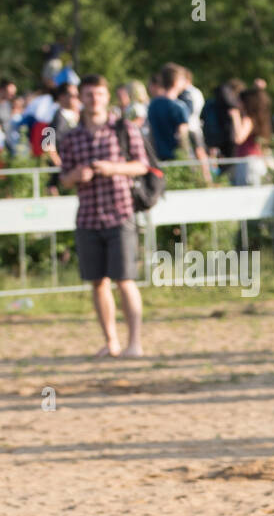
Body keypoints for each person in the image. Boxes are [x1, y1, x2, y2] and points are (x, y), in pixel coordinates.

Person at [57, 74, 150, 358]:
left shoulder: (124, 128)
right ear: (81, 99)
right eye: (88, 94)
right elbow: (63, 179)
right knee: (98, 282)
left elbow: (142, 166)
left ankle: (134, 343)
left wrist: (113, 168)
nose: (93, 99)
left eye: (98, 94)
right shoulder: (71, 137)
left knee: (125, 279)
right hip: (87, 216)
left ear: (106, 96)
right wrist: (76, 175)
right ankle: (111, 341)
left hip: (120, 213)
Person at [146, 64, 192, 162]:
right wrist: (187, 158)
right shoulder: (179, 106)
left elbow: (150, 133)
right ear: (176, 82)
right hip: (177, 160)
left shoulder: (153, 104)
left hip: (157, 157)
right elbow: (182, 136)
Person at [230, 86, 273, 186]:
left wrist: (235, 118)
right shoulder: (254, 119)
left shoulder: (248, 120)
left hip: (250, 162)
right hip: (251, 161)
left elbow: (238, 138)